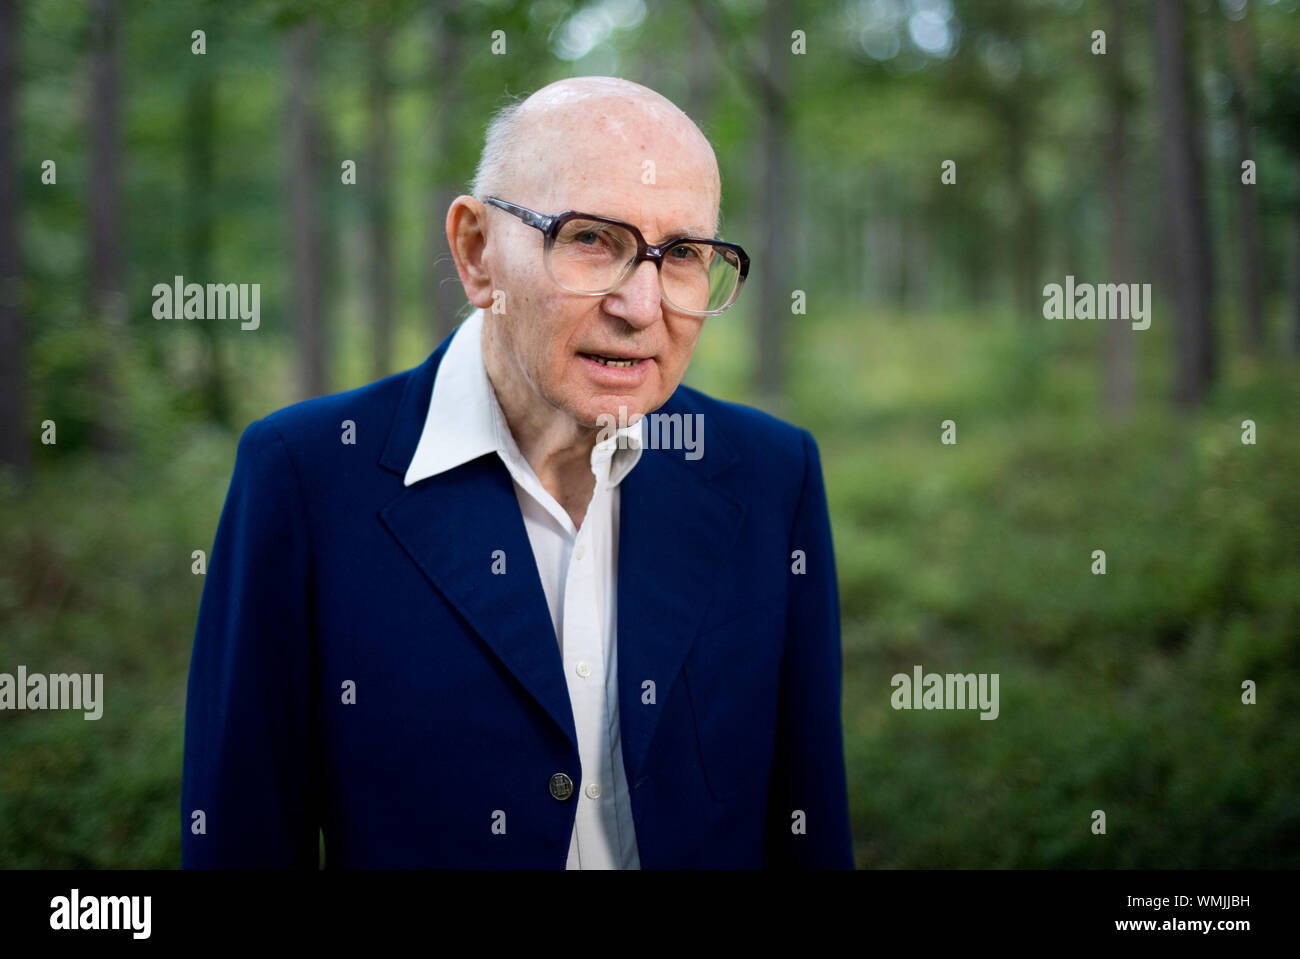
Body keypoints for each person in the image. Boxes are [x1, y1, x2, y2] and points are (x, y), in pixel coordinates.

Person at [181, 75, 853, 869]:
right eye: (592, 239)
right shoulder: (303, 478)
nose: (641, 306)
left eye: (682, 255)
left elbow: (808, 825)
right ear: (476, 253)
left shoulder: (773, 476)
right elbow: (241, 837)